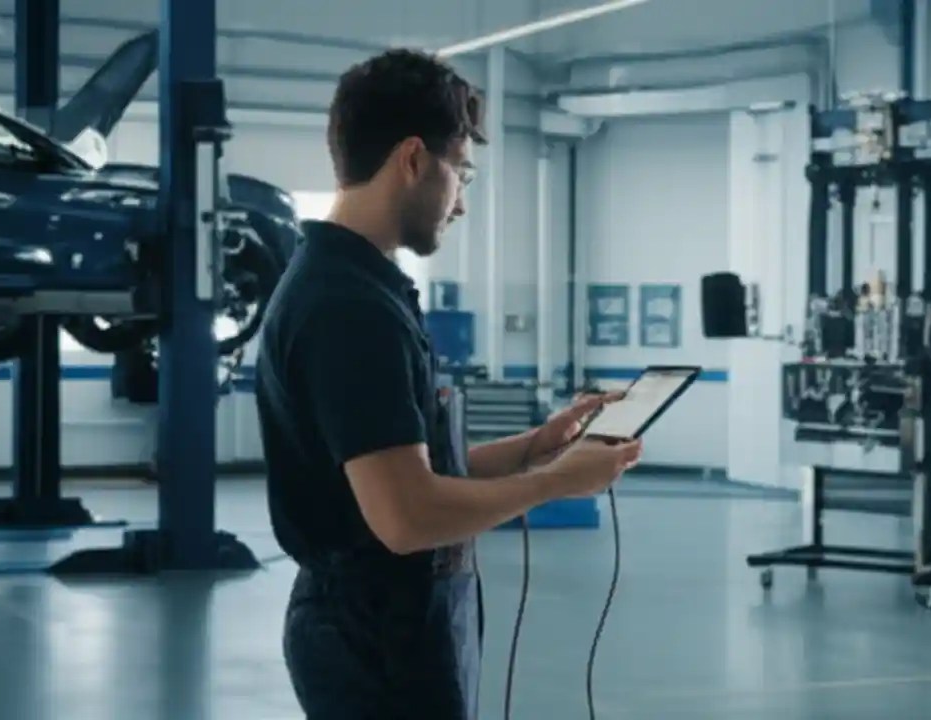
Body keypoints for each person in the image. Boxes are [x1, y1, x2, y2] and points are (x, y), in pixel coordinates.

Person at [253, 48, 643, 719]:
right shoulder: (349, 307)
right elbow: (406, 517)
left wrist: (538, 446)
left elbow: (411, 470)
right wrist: (558, 482)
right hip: (376, 635)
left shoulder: (355, 282)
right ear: (411, 160)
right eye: (460, 173)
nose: (460, 203)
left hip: (390, 618)